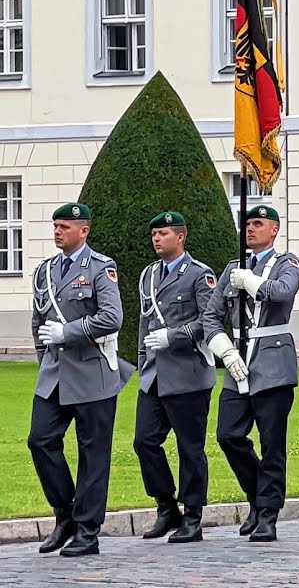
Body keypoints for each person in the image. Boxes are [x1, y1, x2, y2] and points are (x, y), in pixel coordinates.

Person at [28, 203, 128, 557]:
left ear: (83, 231)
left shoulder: (101, 268)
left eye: (64, 226)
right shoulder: (45, 271)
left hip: (92, 372)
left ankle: (88, 530)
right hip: (55, 374)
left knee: (93, 452)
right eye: (55, 225)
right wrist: (46, 358)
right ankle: (65, 514)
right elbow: (39, 322)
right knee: (40, 441)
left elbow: (112, 317)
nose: (57, 231)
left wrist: (68, 333)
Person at [204, 204, 299, 543]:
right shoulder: (233, 267)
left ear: (274, 230)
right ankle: (257, 495)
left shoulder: (286, 263)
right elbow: (211, 316)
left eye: (258, 224)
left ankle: (268, 513)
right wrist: (225, 351)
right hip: (238, 363)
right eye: (247, 223)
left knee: (272, 442)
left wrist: (252, 281)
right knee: (228, 435)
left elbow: (283, 293)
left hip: (273, 363)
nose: (251, 229)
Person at [133, 212, 217, 544]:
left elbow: (209, 320)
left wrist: (175, 335)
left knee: (189, 447)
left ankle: (193, 515)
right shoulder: (149, 275)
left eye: (163, 232)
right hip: (155, 374)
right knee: (144, 441)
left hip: (188, 374)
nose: (156, 238)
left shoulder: (199, 275)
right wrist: (142, 360)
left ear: (180, 237)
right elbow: (144, 322)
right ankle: (167, 505)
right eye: (154, 232)